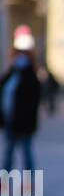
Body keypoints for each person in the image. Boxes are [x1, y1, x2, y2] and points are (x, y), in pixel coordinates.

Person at [0, 28, 42, 176]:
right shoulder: (9, 76)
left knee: (26, 153)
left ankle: (30, 185)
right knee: (8, 154)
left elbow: (34, 101)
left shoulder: (31, 79)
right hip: (10, 121)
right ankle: (3, 183)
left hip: (24, 124)